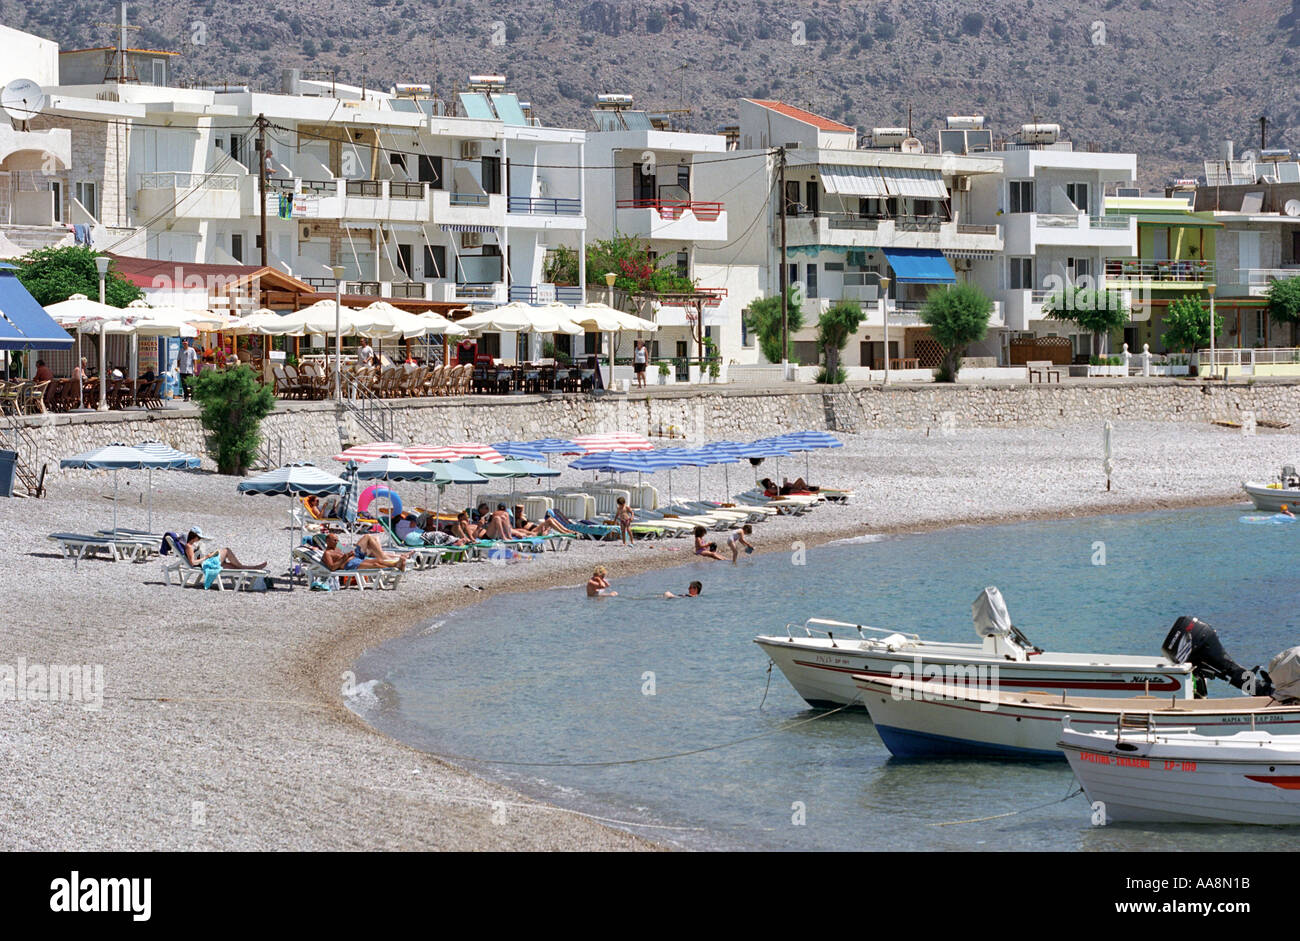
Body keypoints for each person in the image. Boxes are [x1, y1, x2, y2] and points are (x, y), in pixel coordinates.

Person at [184, 528, 266, 570]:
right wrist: (207, 557)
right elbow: (193, 563)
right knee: (226, 550)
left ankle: (252, 568)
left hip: (206, 562)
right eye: (199, 537)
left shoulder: (192, 545)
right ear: (194, 536)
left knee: (234, 567)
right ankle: (250, 567)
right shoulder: (189, 546)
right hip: (206, 564)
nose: (199, 539)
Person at [320, 532, 407, 572]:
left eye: (337, 540)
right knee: (375, 565)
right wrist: (345, 557)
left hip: (354, 559)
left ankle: (397, 564)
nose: (337, 542)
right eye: (334, 540)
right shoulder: (327, 553)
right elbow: (332, 568)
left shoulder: (337, 549)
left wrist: (349, 553)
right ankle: (396, 565)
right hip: (349, 564)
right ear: (327, 541)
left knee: (377, 560)